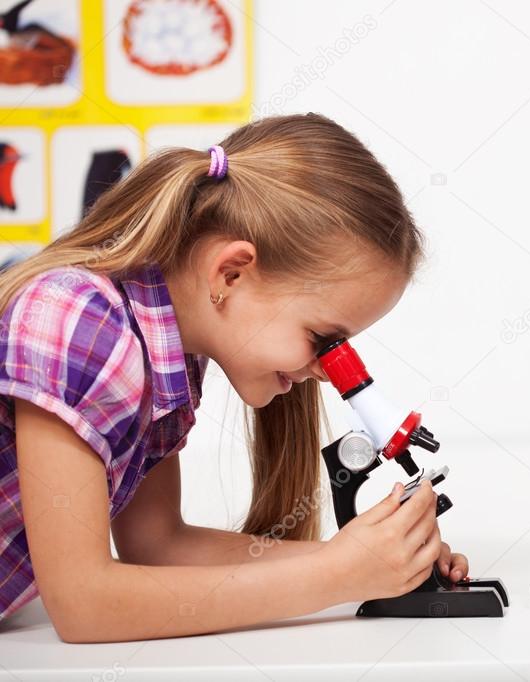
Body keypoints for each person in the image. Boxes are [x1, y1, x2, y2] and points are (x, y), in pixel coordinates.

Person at [0, 113, 467, 641]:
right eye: (321, 339)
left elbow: (159, 546)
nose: (325, 372)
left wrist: (373, 561)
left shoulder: (166, 352)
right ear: (231, 273)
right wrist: (332, 576)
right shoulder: (78, 322)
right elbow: (82, 604)